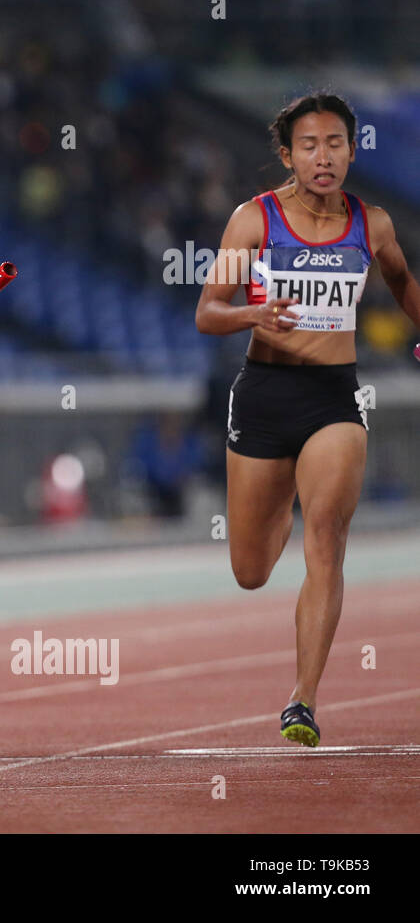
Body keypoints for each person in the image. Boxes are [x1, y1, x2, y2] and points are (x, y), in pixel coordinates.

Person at [195, 94, 420, 745]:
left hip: (333, 399)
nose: (323, 157)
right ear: (287, 155)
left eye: (335, 144)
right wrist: (251, 316)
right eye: (309, 146)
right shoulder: (254, 221)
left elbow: (403, 281)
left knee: (326, 540)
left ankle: (303, 701)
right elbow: (209, 312)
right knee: (251, 570)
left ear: (352, 151)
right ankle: (284, 495)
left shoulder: (371, 224)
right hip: (265, 396)